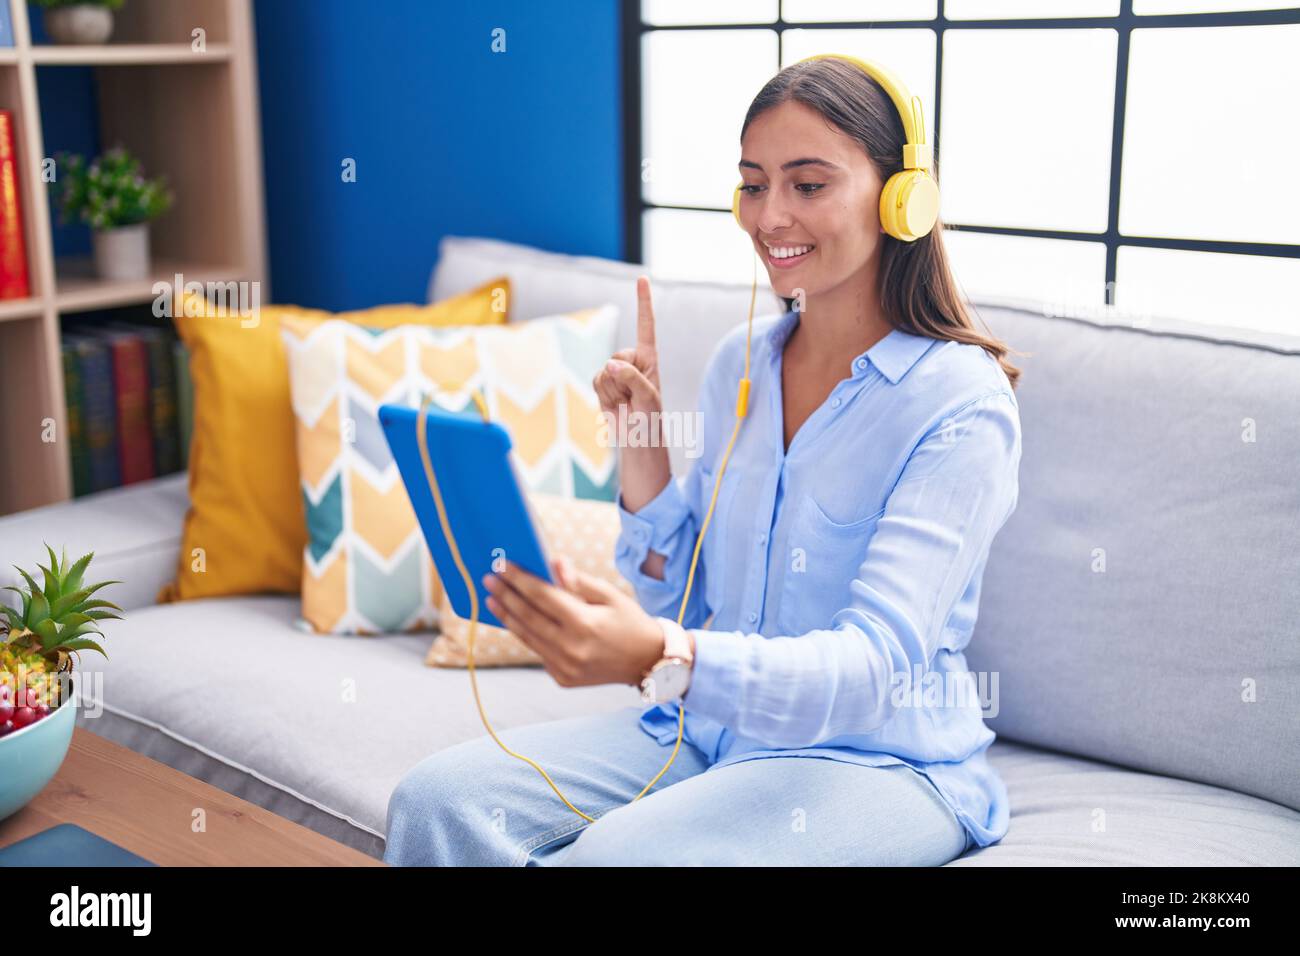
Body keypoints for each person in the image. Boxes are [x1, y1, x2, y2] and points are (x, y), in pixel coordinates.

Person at [383, 54, 1023, 866]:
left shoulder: (960, 403)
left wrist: (660, 656)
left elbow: (874, 669)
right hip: (711, 729)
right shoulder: (741, 362)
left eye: (809, 184)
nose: (769, 217)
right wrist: (641, 442)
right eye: (754, 184)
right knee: (438, 803)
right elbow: (681, 599)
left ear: (903, 199)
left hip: (876, 759)